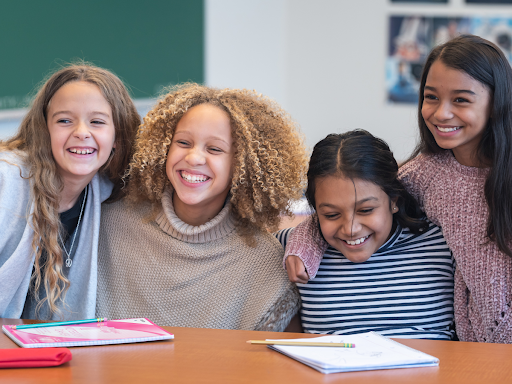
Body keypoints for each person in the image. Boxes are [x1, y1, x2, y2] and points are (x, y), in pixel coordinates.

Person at [286, 35, 512, 343]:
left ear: (497, 102)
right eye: (431, 97)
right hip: (477, 345)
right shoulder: (426, 175)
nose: (441, 113)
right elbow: (351, 204)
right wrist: (303, 246)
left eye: (461, 99)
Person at [96, 83, 309, 331]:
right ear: (163, 147)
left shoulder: (266, 263)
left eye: (215, 149)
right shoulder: (107, 226)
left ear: (244, 164)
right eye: (183, 142)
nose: (194, 158)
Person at [276, 130, 454, 339]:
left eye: (365, 210)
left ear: (394, 200)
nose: (350, 229)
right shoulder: (289, 250)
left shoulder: (445, 243)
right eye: (331, 214)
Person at [0, 64, 140, 320]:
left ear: (118, 137)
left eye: (97, 122)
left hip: (42, 349)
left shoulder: (106, 192)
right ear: (44, 130)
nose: (81, 133)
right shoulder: (6, 180)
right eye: (65, 120)